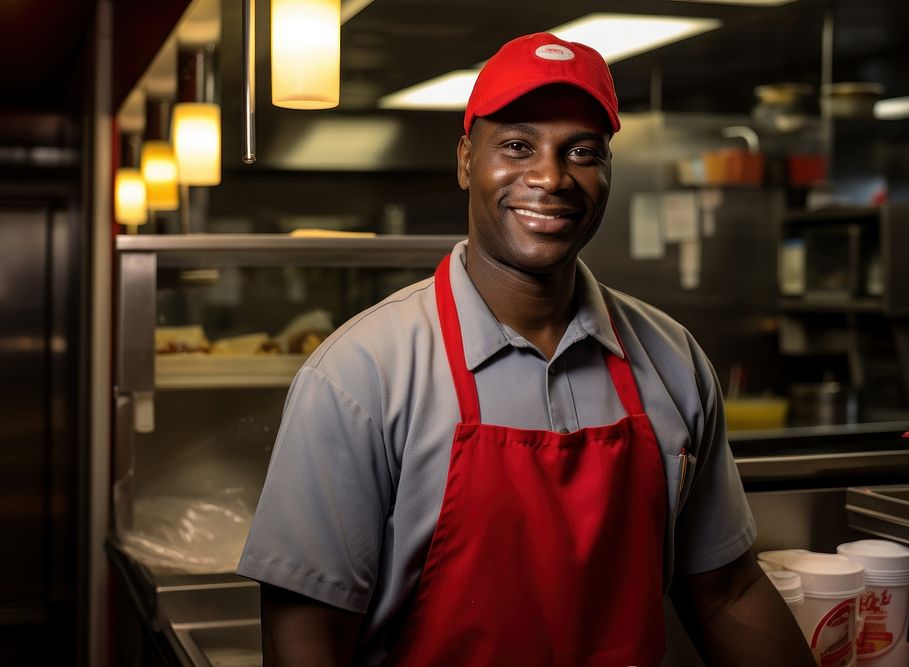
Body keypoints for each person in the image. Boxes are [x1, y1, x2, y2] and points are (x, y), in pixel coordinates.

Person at [238, 32, 814, 667]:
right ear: (465, 161)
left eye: (582, 151)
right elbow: (305, 638)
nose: (550, 176)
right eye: (517, 145)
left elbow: (726, 593)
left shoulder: (672, 358)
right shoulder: (360, 376)